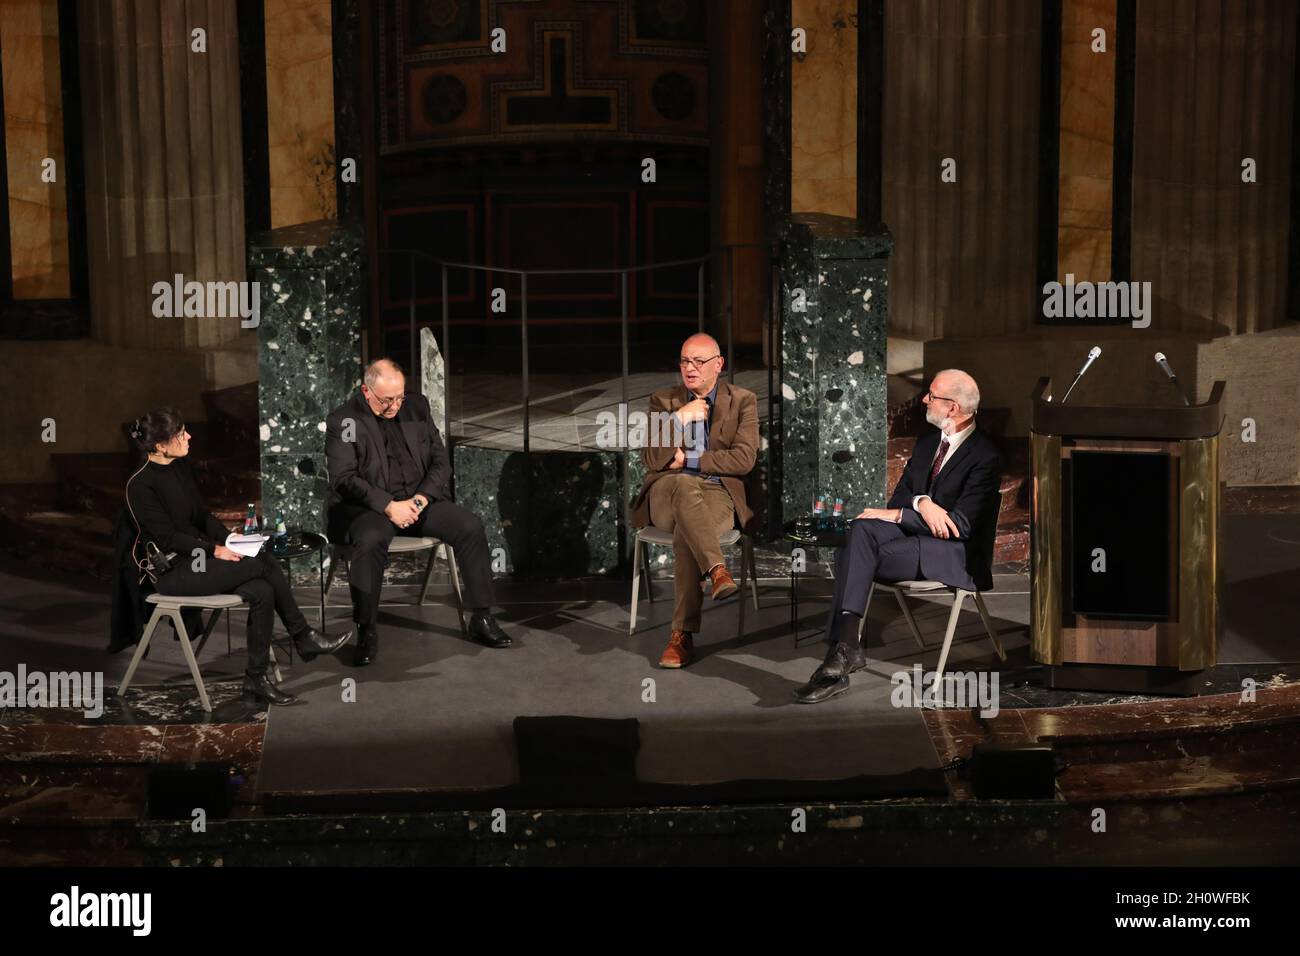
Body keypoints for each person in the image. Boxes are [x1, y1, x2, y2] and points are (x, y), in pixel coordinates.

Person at [793, 369, 1004, 703]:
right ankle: (847, 646)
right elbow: (901, 499)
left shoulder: (985, 456)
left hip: (953, 554)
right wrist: (924, 503)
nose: (924, 399)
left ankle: (843, 650)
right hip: (914, 536)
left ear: (952, 407)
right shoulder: (927, 443)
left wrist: (909, 513)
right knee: (859, 529)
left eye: (931, 395)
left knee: (858, 553)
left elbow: (959, 526)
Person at [125, 408, 351, 706]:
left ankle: (255, 680)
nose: (189, 436)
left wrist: (230, 538)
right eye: (181, 434)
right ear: (159, 445)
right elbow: (168, 538)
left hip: (198, 558)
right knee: (262, 563)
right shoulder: (140, 485)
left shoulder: (179, 467)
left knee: (262, 589)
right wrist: (214, 550)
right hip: (173, 570)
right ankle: (302, 635)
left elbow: (201, 515)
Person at [325, 358, 509, 665]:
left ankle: (481, 618)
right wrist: (388, 506)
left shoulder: (416, 407)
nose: (395, 405)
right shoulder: (344, 420)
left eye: (399, 397)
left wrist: (421, 500)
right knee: (369, 541)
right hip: (369, 508)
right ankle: (367, 629)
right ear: (366, 392)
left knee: (469, 526)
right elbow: (343, 479)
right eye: (387, 400)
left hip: (417, 502)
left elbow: (441, 462)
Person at [629, 333, 759, 668]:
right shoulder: (664, 400)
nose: (690, 368)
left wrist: (690, 461)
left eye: (699, 361)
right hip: (666, 492)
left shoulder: (743, 400)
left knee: (688, 531)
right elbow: (652, 458)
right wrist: (679, 418)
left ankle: (681, 637)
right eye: (685, 360)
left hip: (717, 492)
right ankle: (717, 571)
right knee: (684, 490)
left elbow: (744, 459)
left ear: (719, 364)